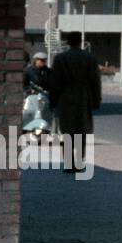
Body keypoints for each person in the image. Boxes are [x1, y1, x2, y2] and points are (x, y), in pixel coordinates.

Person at [47, 31, 101, 173]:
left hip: (65, 98)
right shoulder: (89, 58)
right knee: (82, 130)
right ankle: (79, 160)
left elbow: (55, 82)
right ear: (80, 41)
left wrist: (53, 101)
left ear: (68, 42)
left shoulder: (60, 58)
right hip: (84, 98)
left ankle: (69, 163)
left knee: (67, 131)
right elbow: (95, 81)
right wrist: (96, 99)